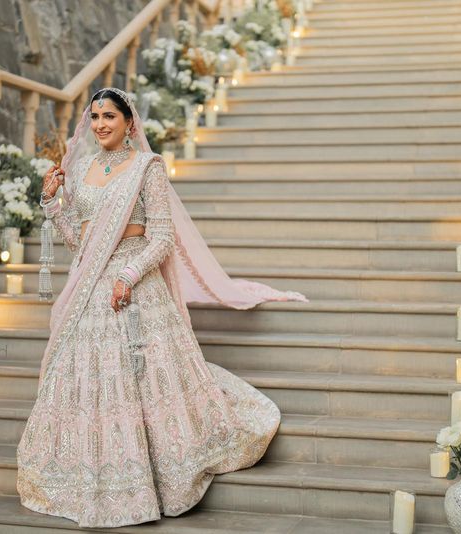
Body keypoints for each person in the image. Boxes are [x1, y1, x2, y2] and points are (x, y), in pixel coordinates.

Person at [16, 87, 308, 528]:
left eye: (109, 117)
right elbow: (81, 243)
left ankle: (155, 473)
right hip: (93, 290)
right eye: (94, 117)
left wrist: (128, 276)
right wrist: (54, 203)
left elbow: (162, 240)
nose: (99, 125)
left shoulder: (147, 168)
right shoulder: (86, 169)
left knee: (142, 380)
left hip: (136, 287)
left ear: (129, 122)